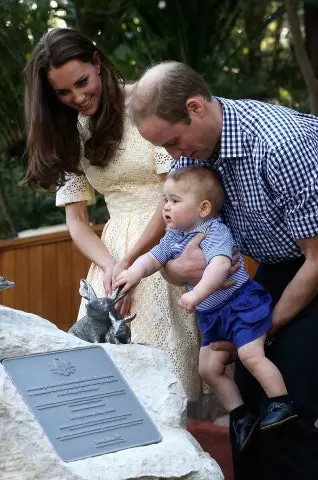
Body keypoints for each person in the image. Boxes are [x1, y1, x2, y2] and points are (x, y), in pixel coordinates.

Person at [128, 61, 318, 479]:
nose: (175, 159)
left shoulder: (278, 144)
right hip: (272, 266)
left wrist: (261, 329)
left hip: (313, 262)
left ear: (196, 107)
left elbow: (316, 260)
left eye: (175, 142)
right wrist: (176, 269)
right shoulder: (193, 156)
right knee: (247, 407)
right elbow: (177, 260)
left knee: (288, 401)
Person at [22, 29, 201, 402]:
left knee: (167, 380)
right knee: (109, 386)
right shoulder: (69, 129)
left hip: (167, 242)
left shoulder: (146, 102)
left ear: (97, 63)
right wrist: (110, 267)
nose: (77, 97)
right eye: (63, 93)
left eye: (82, 82)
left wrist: (134, 261)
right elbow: (76, 222)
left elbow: (174, 195)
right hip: (112, 257)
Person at [115, 165, 298, 451]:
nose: (166, 207)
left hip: (238, 305)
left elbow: (219, 266)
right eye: (165, 200)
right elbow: (152, 258)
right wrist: (133, 272)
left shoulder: (214, 231)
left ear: (202, 208)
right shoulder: (173, 237)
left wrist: (196, 294)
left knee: (251, 355)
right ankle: (240, 414)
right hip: (214, 314)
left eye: (175, 201)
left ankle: (281, 401)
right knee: (208, 369)